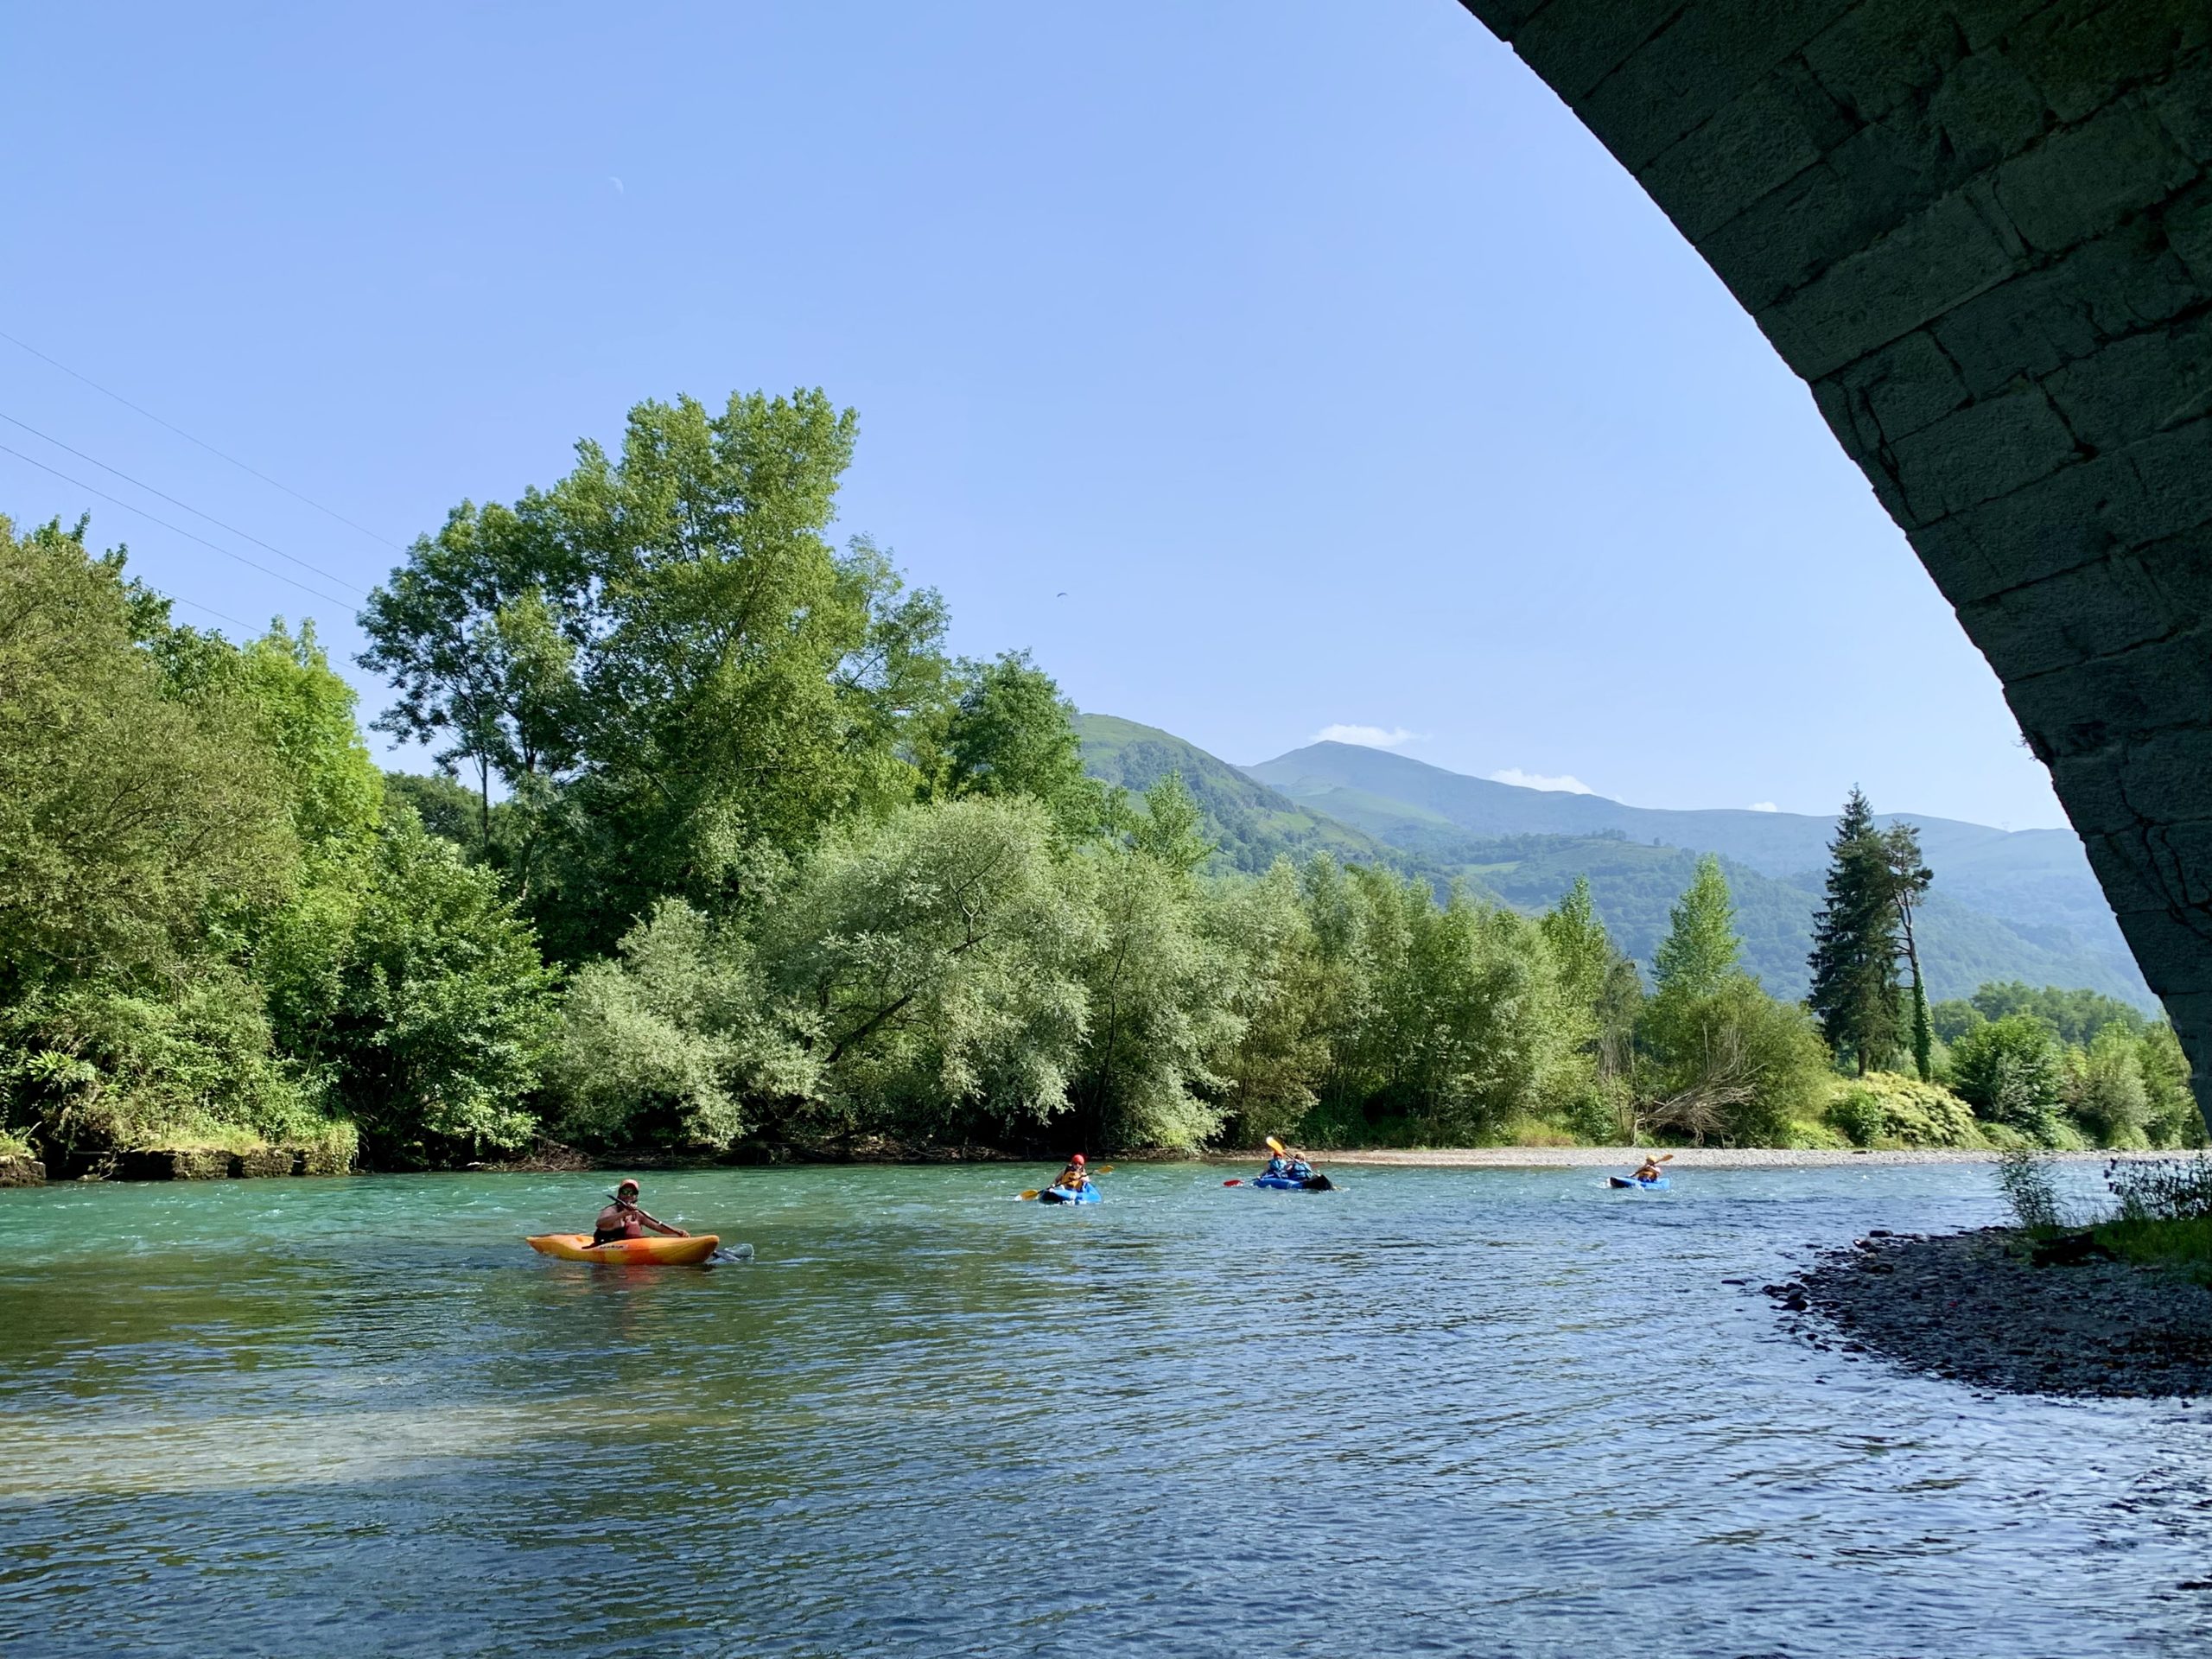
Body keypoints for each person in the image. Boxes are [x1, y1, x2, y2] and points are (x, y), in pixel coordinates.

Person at [592, 1178, 690, 1246]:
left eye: (632, 1193)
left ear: (636, 1196)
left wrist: (678, 1232)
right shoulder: (611, 1210)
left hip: (631, 1248)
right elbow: (600, 1223)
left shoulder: (639, 1214)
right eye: (625, 1192)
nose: (628, 1195)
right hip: (606, 1246)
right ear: (619, 1194)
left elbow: (659, 1227)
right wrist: (624, 1213)